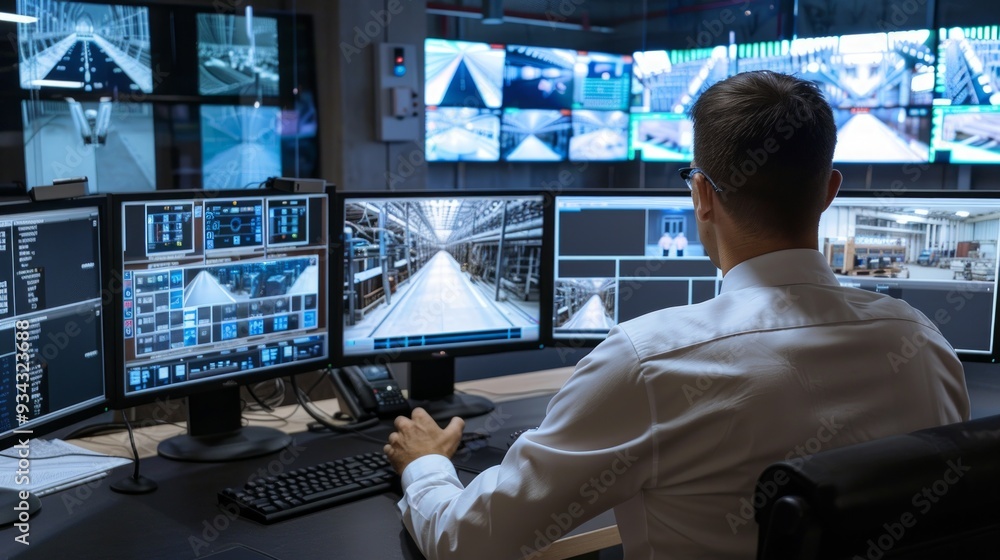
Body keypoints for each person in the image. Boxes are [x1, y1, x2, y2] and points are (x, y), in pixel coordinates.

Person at [384, 71, 970, 560]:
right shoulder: (921, 344)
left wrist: (427, 469)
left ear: (703, 195)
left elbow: (469, 542)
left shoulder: (649, 363)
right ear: (829, 191)